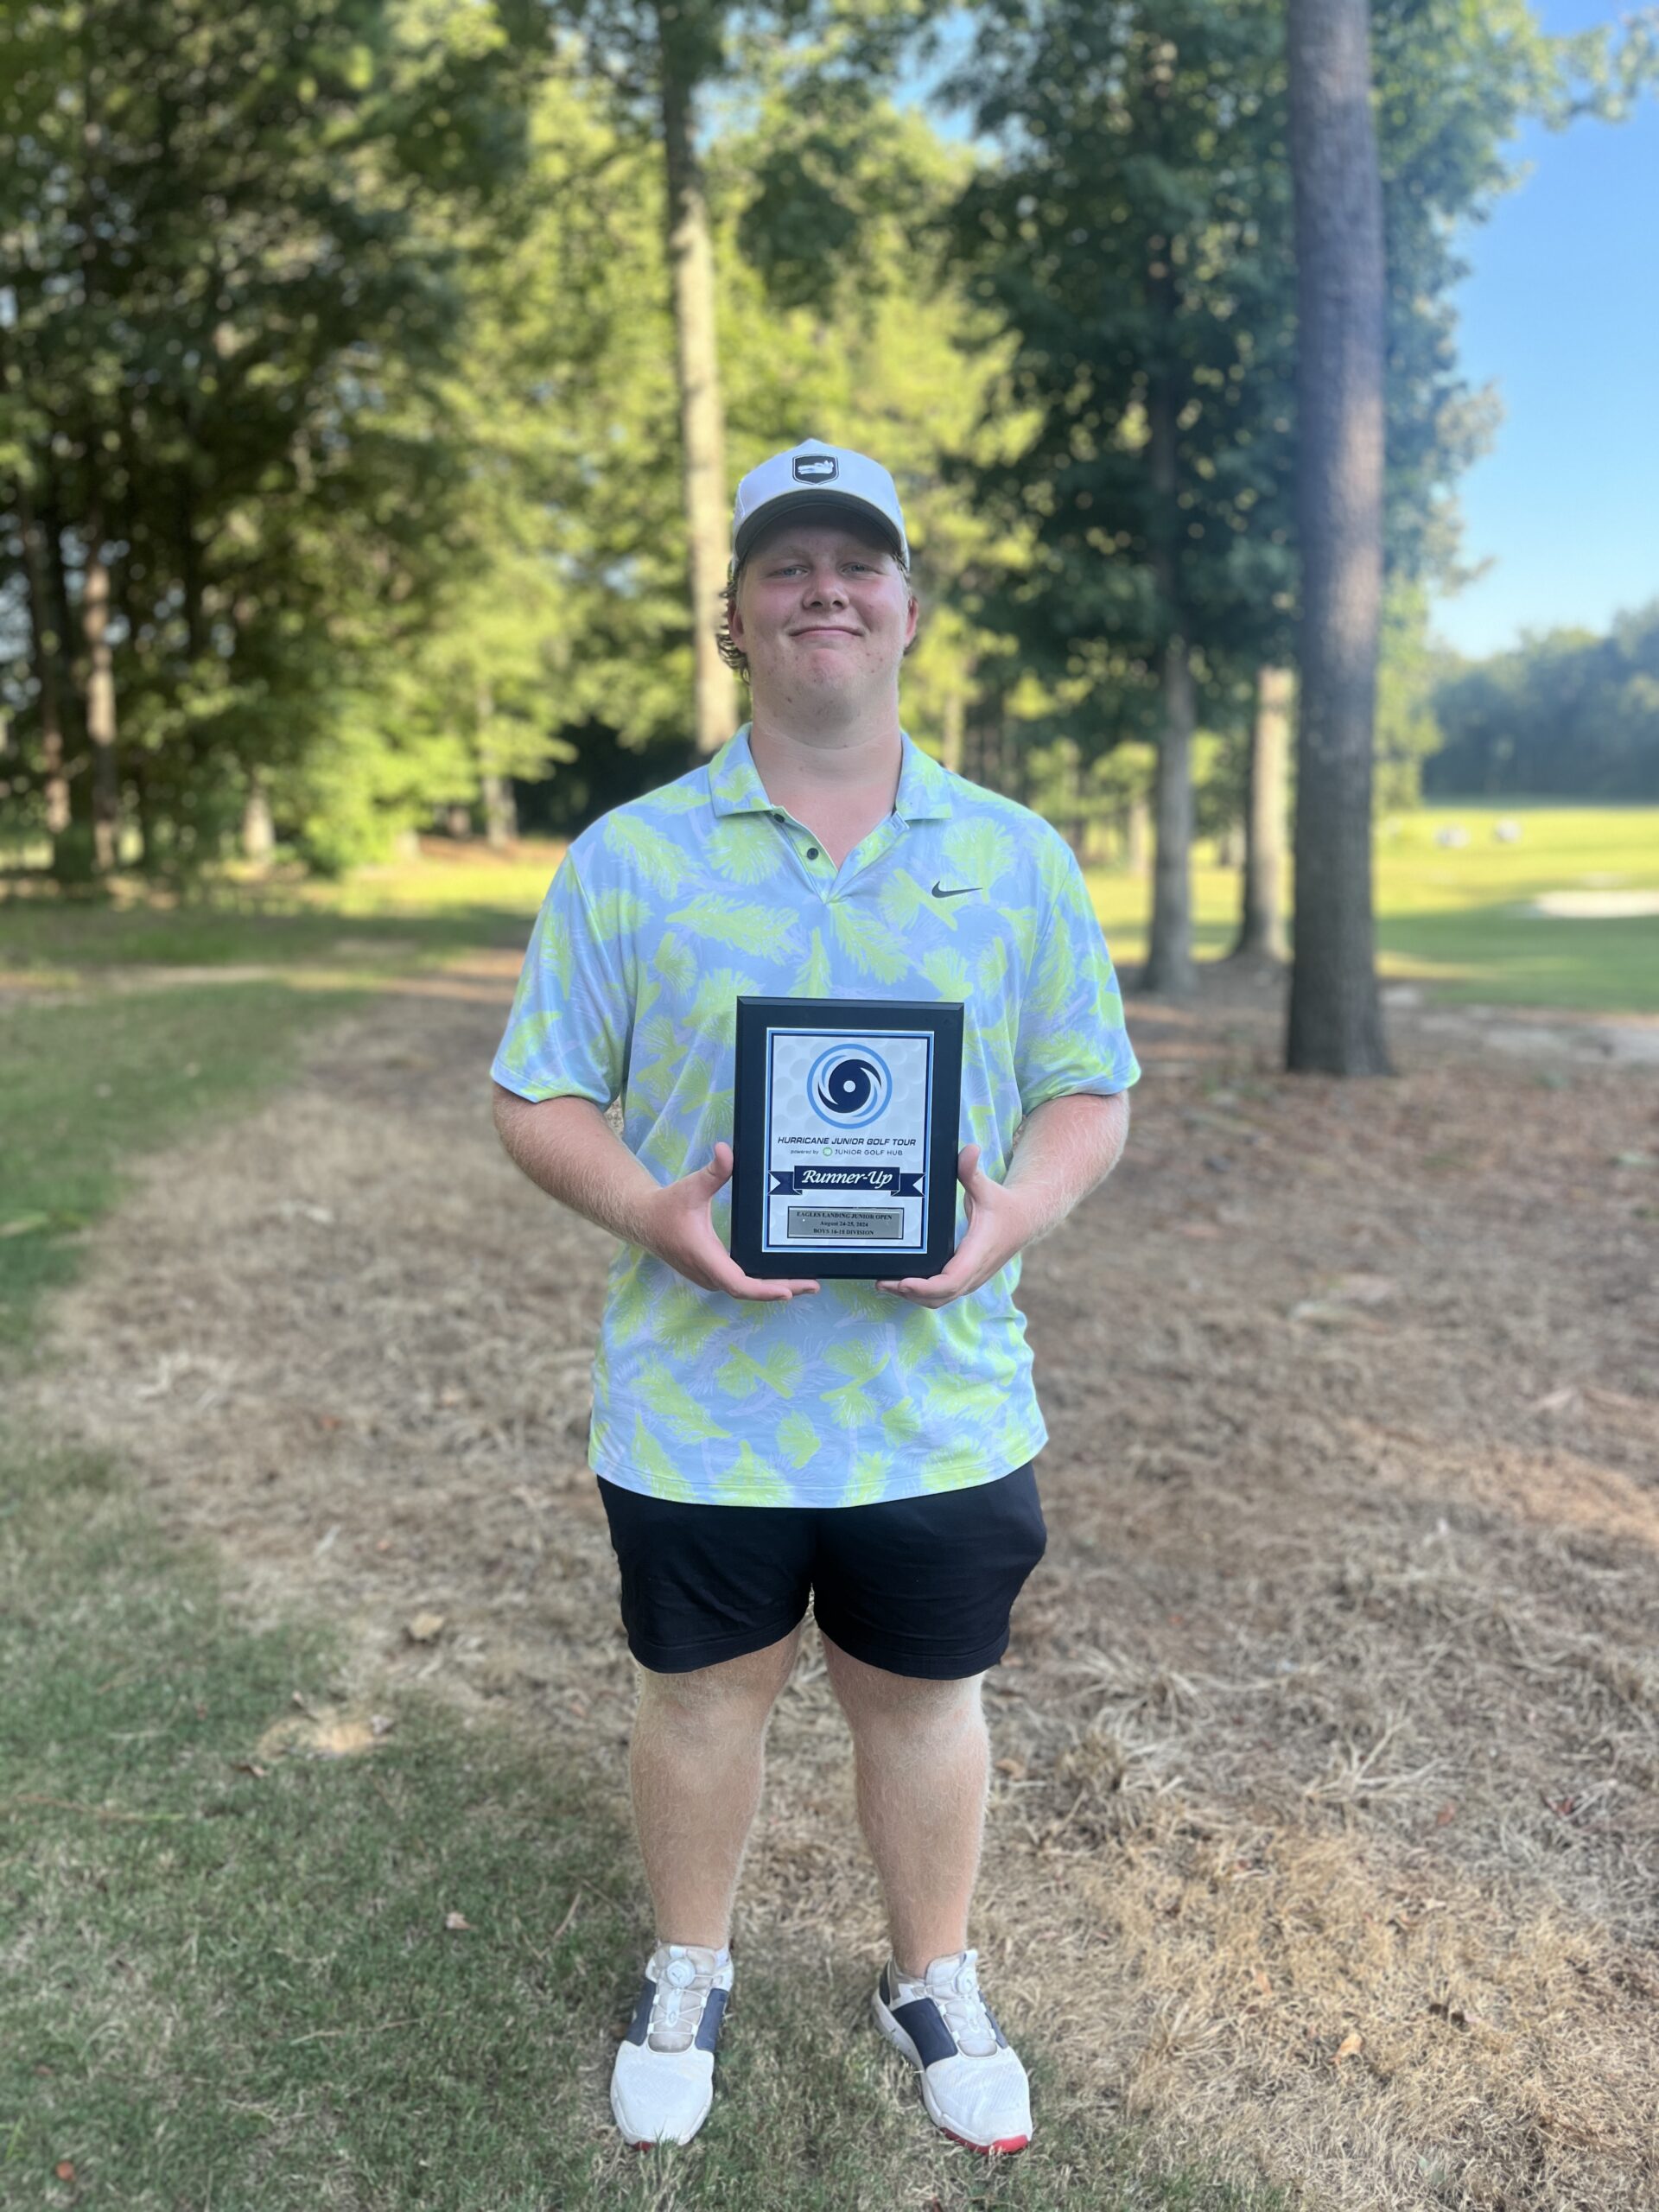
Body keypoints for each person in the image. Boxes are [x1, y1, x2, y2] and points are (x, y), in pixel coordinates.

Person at [490, 436, 1139, 2157]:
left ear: (909, 608)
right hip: (703, 1404)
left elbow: (1090, 1087)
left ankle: (933, 1974)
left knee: (924, 1703)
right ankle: (688, 1965)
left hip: (938, 1401)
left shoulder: (1015, 856)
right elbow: (537, 1092)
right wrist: (651, 1209)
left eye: (858, 564)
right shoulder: (629, 856)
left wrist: (1017, 1213)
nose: (824, 592)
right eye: (787, 565)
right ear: (735, 614)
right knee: (701, 1695)